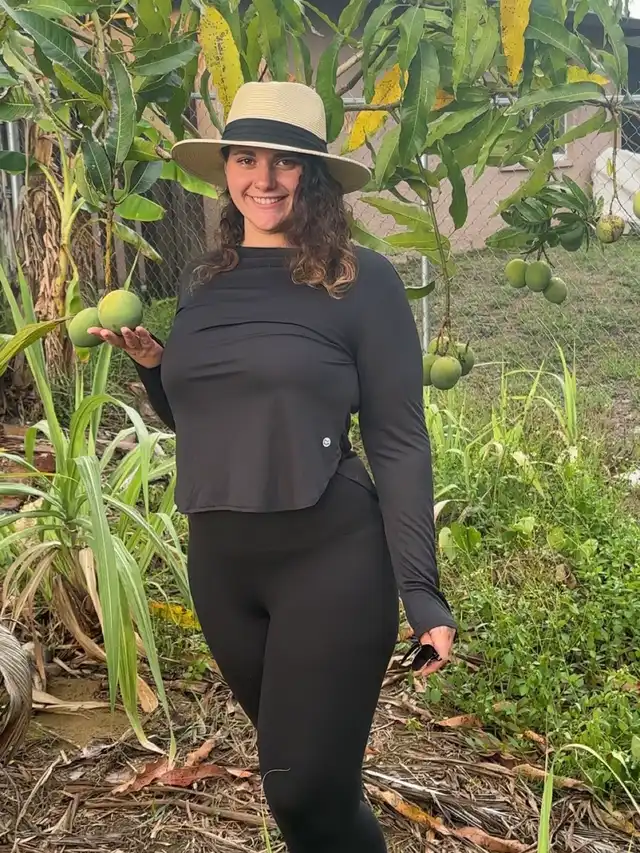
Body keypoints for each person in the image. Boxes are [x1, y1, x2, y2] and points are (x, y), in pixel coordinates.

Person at [90, 81, 456, 853]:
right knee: (310, 788)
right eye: (246, 158)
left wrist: (422, 591)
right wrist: (156, 367)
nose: (263, 178)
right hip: (224, 572)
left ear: (313, 174)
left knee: (303, 789)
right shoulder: (203, 280)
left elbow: (397, 440)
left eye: (284, 161)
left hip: (330, 560)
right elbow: (208, 422)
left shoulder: (362, 282)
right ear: (226, 166)